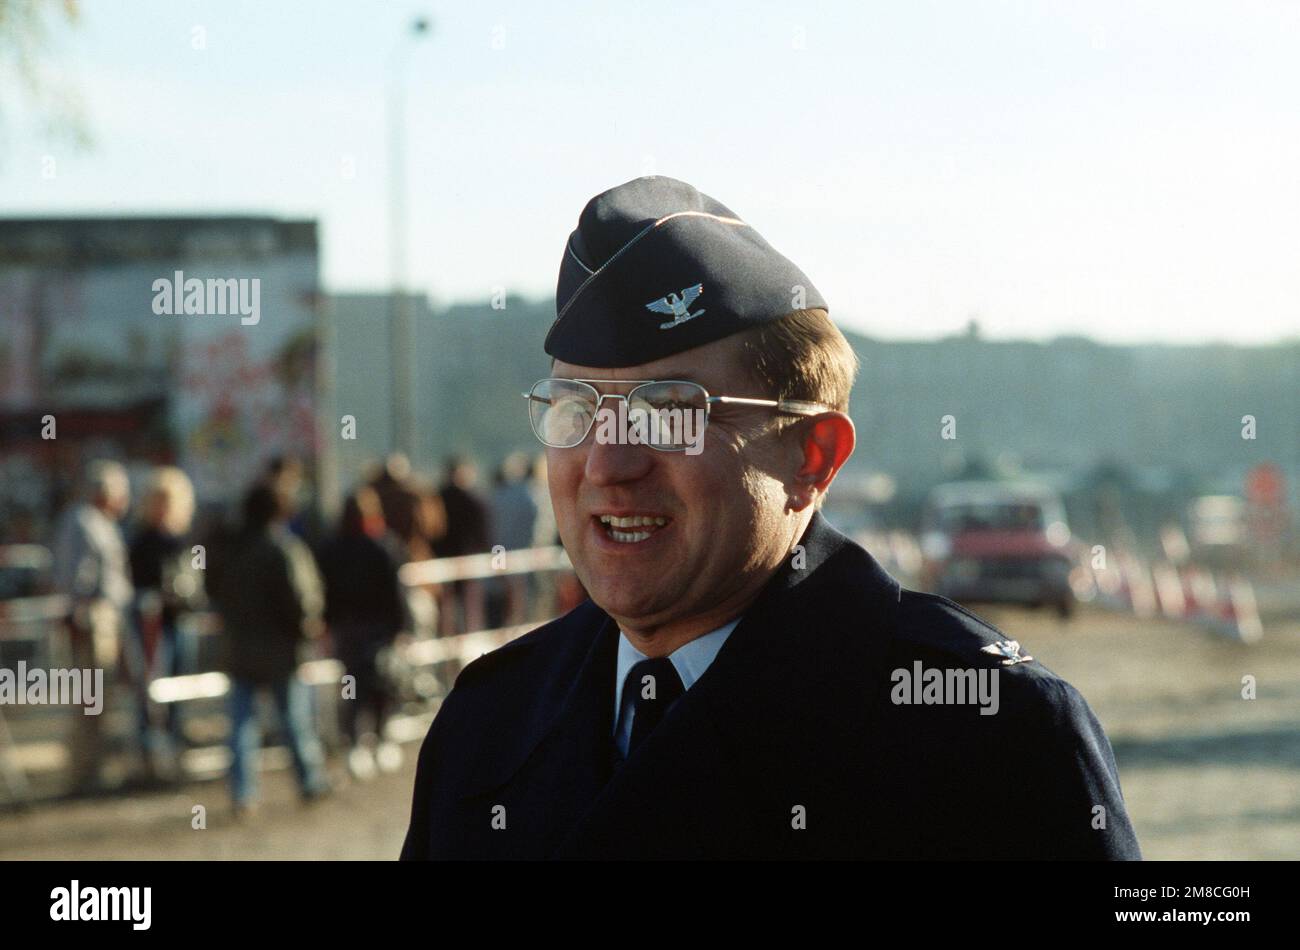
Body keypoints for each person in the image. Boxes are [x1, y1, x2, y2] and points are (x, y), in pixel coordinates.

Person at [400, 176, 1141, 860]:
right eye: (575, 409)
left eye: (669, 413)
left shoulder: (987, 731)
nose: (606, 466)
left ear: (812, 457)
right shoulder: (489, 721)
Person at [211, 484, 330, 816]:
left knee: (241, 725)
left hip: (239, 649)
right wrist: (306, 628)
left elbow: (216, 593)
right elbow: (302, 599)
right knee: (294, 720)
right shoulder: (284, 549)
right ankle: (310, 781)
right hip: (280, 651)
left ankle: (244, 794)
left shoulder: (231, 550)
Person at [50, 460, 133, 794]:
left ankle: (93, 769)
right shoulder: (82, 521)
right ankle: (83, 774)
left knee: (101, 699)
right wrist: (79, 617)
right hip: (92, 620)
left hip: (108, 618)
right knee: (91, 699)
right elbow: (74, 576)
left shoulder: (102, 523)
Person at [318, 486, 408, 779]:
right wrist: (401, 627)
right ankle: (381, 740)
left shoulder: (332, 548)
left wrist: (328, 625)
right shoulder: (383, 545)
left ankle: (355, 744)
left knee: (352, 687)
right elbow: (396, 592)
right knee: (382, 685)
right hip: (378, 629)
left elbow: (326, 594)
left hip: (347, 630)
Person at [127, 465, 202, 776]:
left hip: (180, 620)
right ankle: (150, 750)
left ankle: (174, 741)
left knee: (179, 683)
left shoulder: (184, 541)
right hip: (151, 624)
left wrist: (187, 594)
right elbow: (136, 583)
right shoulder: (141, 541)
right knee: (152, 683)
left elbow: (195, 580)